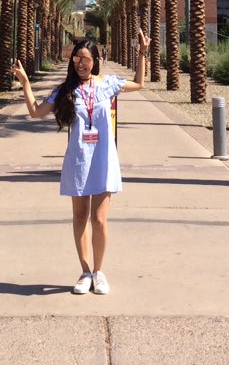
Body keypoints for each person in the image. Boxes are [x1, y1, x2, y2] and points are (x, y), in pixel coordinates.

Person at [12, 29, 150, 295]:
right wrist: (26, 83)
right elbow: (35, 112)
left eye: (85, 59)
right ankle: (85, 272)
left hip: (102, 158)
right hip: (78, 159)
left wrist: (142, 53)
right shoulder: (65, 90)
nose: (81, 64)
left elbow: (139, 83)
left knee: (99, 219)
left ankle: (99, 272)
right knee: (79, 217)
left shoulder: (107, 84)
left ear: (95, 61)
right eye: (76, 60)